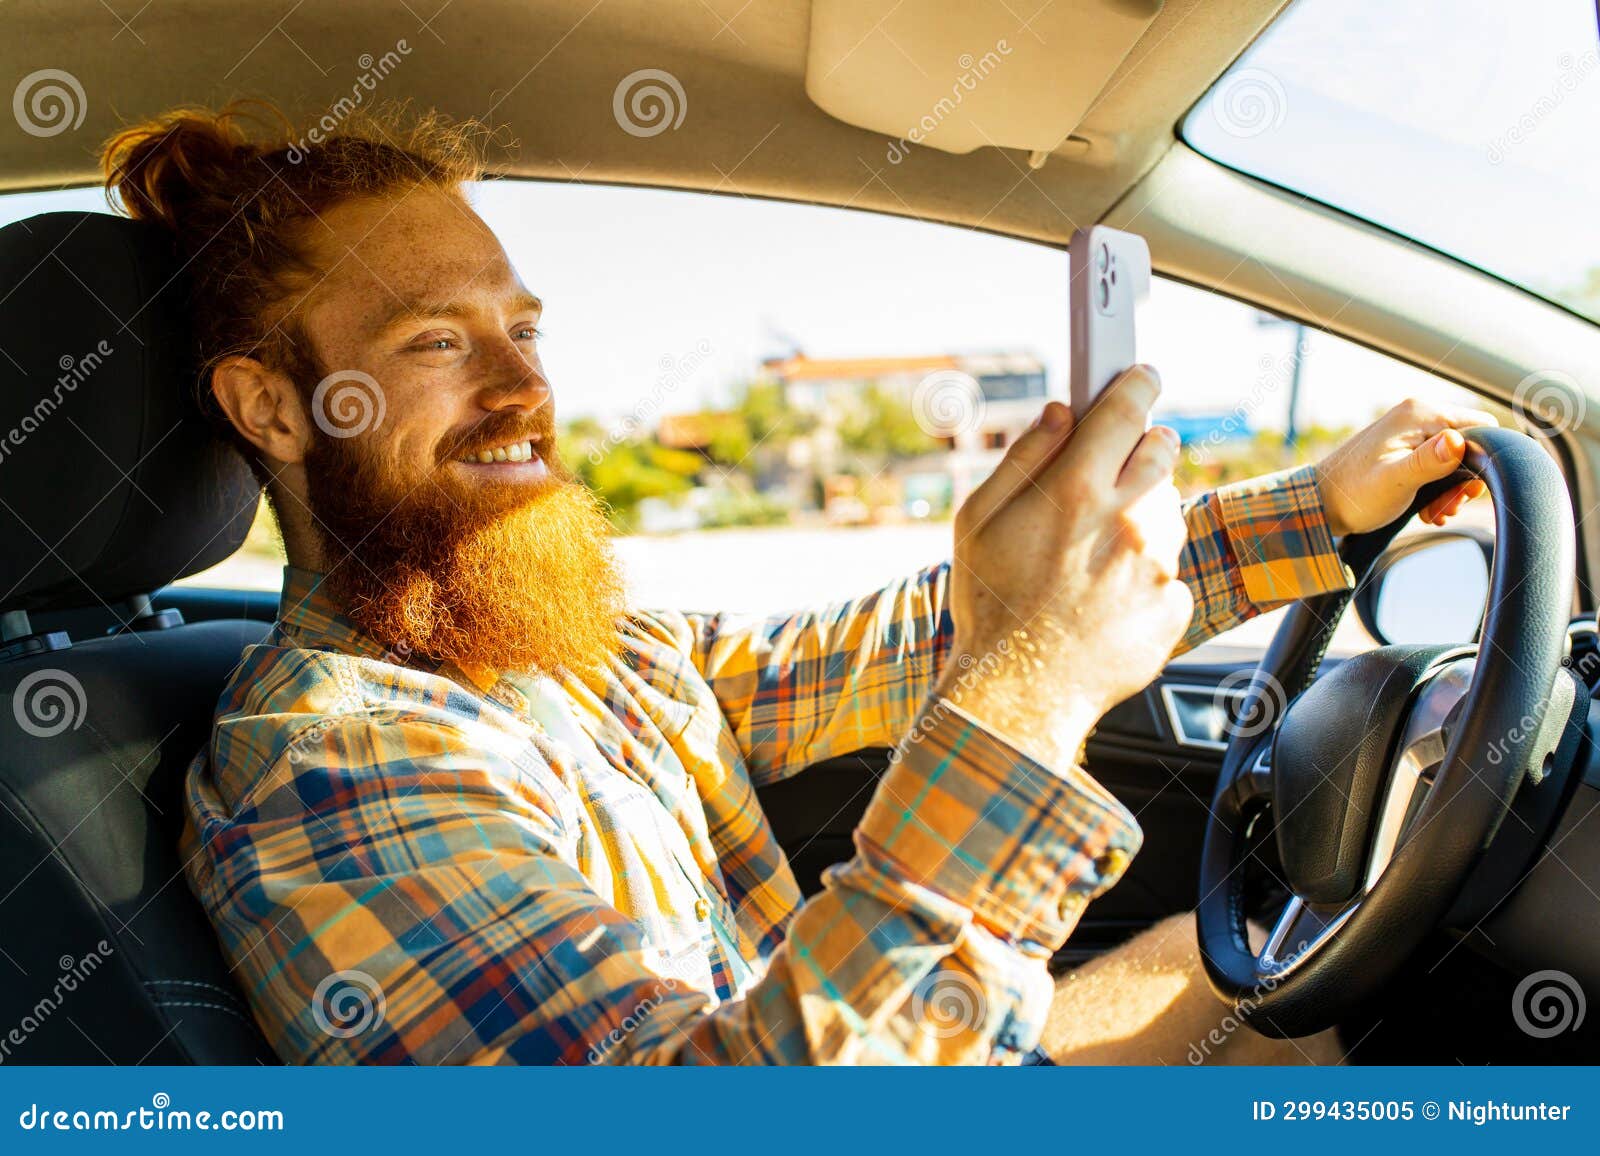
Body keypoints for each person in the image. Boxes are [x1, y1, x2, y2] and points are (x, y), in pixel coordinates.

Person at [104, 104, 1493, 1065]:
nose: (528, 387)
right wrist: (1031, 688)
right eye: (434, 343)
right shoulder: (334, 763)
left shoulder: (572, 657)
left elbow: (893, 643)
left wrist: (1324, 506)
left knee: (1249, 976)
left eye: (523, 329)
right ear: (274, 412)